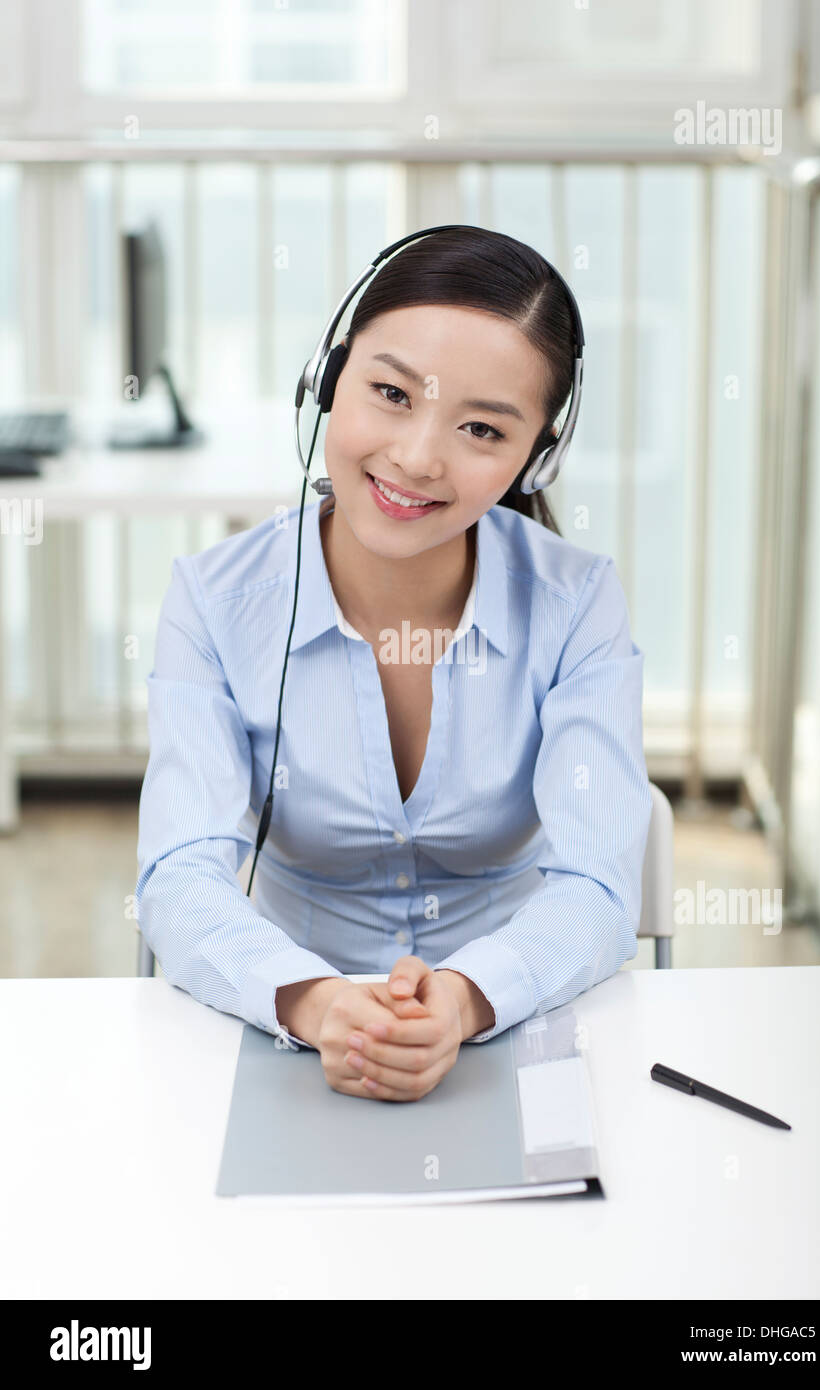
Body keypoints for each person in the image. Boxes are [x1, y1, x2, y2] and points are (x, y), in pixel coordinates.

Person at [136, 226, 653, 1104]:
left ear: (539, 454)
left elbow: (598, 888)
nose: (417, 457)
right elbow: (180, 873)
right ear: (327, 379)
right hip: (289, 1034)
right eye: (389, 392)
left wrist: (459, 1001)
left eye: (483, 428)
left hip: (516, 1025)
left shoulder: (577, 605)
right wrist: (318, 1003)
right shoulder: (214, 602)